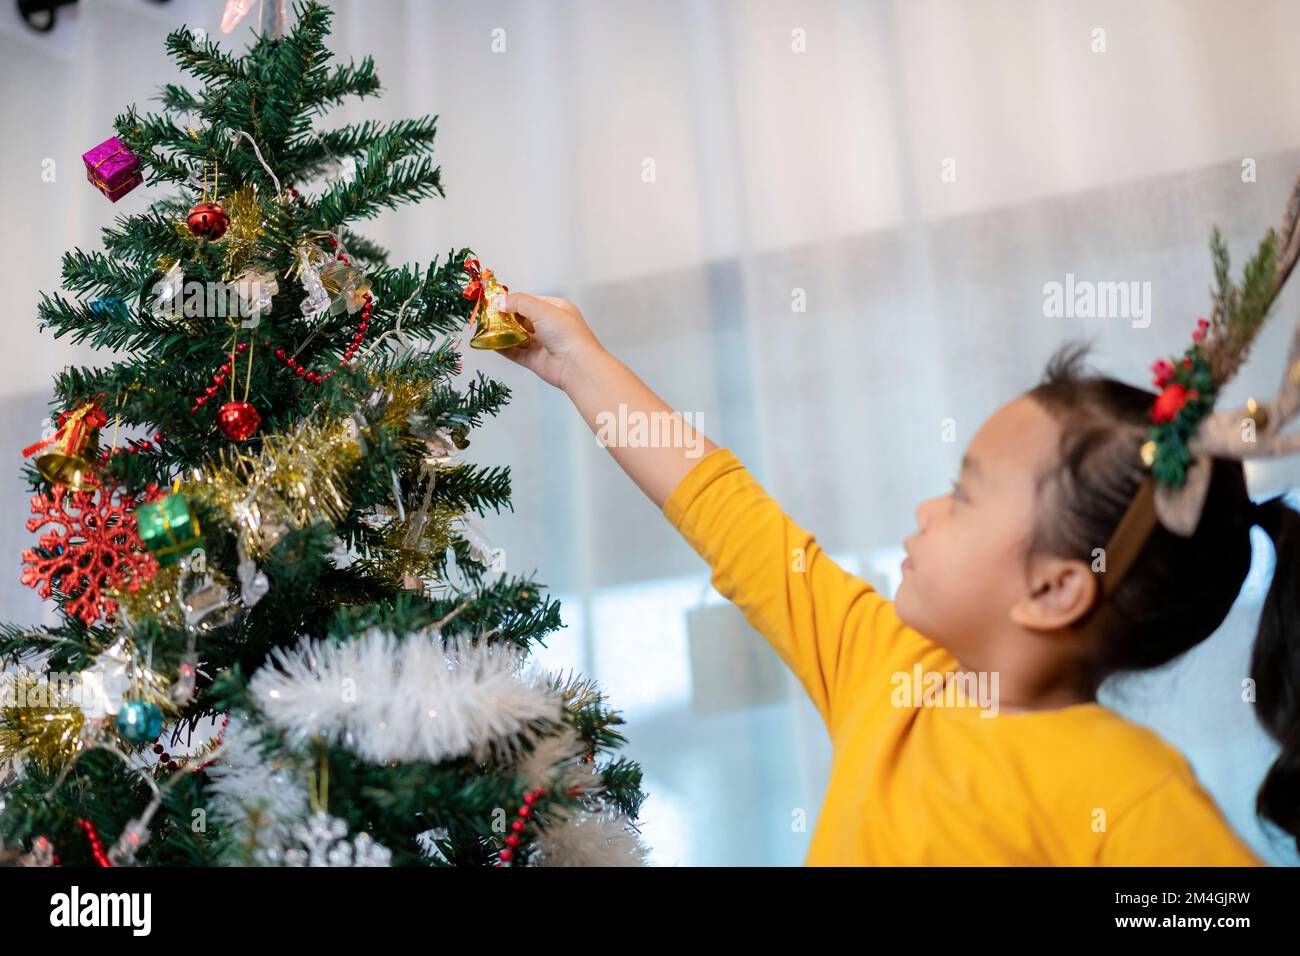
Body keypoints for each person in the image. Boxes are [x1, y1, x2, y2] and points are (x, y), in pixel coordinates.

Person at [487, 288, 1295, 865]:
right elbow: (729, 514)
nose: (926, 510)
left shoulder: (1132, 796)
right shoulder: (893, 674)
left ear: (1055, 589)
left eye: (963, 494)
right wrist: (575, 362)